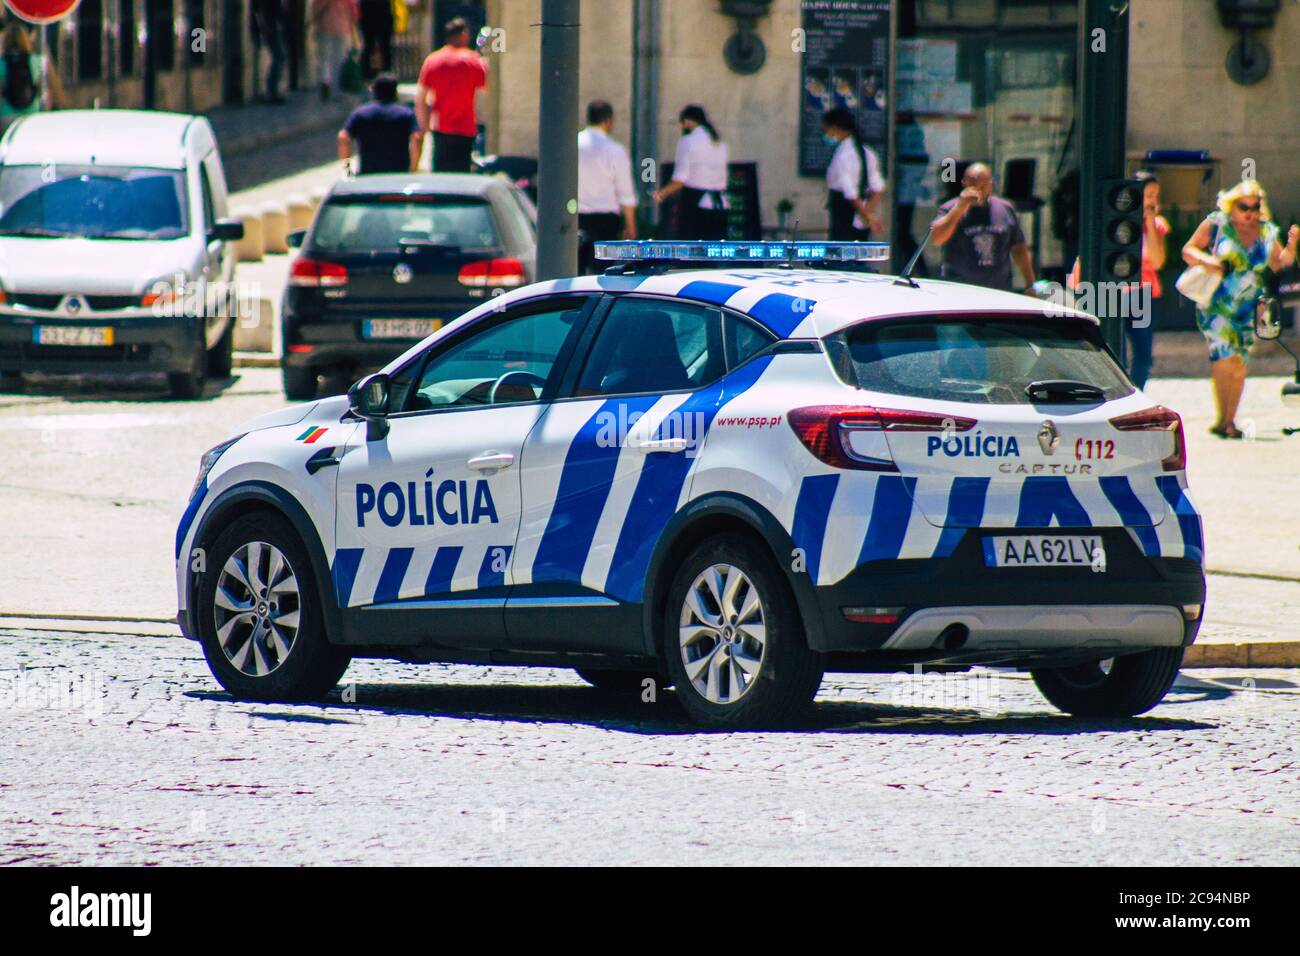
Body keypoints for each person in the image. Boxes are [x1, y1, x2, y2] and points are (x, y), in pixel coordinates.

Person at [1181, 179, 1299, 438]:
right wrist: (1209, 262)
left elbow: (1279, 264)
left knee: (1240, 362)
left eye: (1255, 207)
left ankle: (1229, 420)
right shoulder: (1217, 224)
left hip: (1248, 307)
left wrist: (1291, 245)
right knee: (1225, 357)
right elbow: (1188, 250)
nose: (1250, 213)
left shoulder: (1266, 231)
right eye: (1244, 207)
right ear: (1232, 206)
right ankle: (1223, 419)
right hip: (1217, 305)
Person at [1068, 170, 1169, 389]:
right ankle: (1116, 391)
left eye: (1155, 195)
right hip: (1113, 292)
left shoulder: (1157, 225)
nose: (1152, 200)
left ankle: (1137, 393)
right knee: (1115, 348)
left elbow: (1158, 261)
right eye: (1147, 194)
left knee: (1143, 354)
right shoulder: (1115, 219)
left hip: (1141, 294)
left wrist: (1150, 222)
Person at [930, 162, 1035, 291]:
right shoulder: (949, 208)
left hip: (999, 290)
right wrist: (959, 208)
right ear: (964, 183)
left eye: (983, 183)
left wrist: (1030, 284)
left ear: (991, 184)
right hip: (960, 291)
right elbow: (937, 239)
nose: (978, 187)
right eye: (973, 182)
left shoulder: (1006, 209)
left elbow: (1019, 249)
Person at [416, 17, 488, 173]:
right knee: (462, 174)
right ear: (463, 34)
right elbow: (486, 91)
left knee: (441, 173)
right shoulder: (473, 60)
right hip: (465, 128)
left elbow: (421, 97)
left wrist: (423, 127)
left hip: (441, 128)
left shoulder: (433, 61)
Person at [576, 99, 637, 275]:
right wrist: (631, 224)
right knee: (603, 273)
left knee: (575, 271)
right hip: (606, 221)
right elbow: (625, 191)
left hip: (577, 217)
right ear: (608, 120)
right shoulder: (615, 150)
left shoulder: (573, 145)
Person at [652, 105, 729, 241]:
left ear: (687, 121)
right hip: (720, 203)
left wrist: (661, 194)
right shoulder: (719, 142)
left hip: (695, 203)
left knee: (692, 252)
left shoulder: (688, 141)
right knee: (716, 252)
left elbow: (680, 179)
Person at [821, 107, 884, 241]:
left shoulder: (843, 154)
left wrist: (866, 215)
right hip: (862, 210)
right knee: (858, 254)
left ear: (835, 128)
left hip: (845, 209)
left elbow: (850, 192)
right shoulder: (867, 152)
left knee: (841, 255)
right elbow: (878, 187)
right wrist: (868, 213)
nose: (826, 134)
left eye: (826, 130)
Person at [338, 74, 420, 176]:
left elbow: (343, 138)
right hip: (398, 175)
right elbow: (416, 138)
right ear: (395, 91)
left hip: (369, 175)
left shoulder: (360, 114)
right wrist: (413, 169)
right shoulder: (406, 113)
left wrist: (347, 170)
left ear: (374, 91)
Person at [0, 23, 63, 133]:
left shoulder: (2, 63)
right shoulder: (38, 61)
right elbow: (48, 91)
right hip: (32, 115)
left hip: (7, 117)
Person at [308, 0, 357, 100]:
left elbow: (315, 9)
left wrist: (314, 21)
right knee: (338, 61)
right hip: (343, 29)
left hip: (324, 28)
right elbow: (354, 13)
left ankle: (325, 83)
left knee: (324, 59)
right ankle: (336, 90)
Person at [251, 0, 287, 103]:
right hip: (270, 27)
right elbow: (263, 10)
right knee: (279, 57)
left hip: (270, 26)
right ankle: (271, 91)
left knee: (278, 57)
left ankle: (271, 90)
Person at [359, 0, 394, 79]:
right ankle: (368, 75)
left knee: (382, 47)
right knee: (372, 47)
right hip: (374, 15)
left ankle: (385, 75)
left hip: (373, 15)